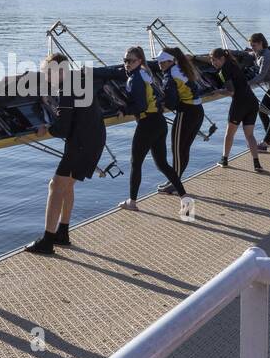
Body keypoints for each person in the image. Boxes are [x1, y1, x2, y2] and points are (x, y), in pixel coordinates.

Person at [25, 53, 106, 254]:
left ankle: (47, 241)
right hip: (93, 139)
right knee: (67, 185)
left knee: (56, 186)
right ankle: (63, 232)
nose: (45, 77)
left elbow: (62, 128)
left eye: (47, 72)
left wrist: (46, 129)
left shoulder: (67, 89)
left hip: (81, 144)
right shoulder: (80, 81)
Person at [119, 45, 186, 210]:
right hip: (159, 123)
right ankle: (185, 197)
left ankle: (132, 202)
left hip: (147, 124)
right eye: (125, 60)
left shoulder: (134, 79)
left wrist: (124, 110)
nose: (127, 63)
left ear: (139, 61)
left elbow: (140, 106)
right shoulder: (146, 73)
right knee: (162, 164)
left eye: (131, 61)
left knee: (136, 163)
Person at [155, 46, 205, 192]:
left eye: (162, 62)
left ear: (170, 61)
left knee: (177, 149)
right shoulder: (182, 67)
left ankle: (174, 184)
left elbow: (170, 101)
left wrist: (158, 104)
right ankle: (175, 180)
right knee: (184, 149)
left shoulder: (170, 75)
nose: (160, 65)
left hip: (186, 113)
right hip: (198, 111)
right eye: (159, 62)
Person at [209, 47, 263, 172]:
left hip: (240, 104)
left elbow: (231, 92)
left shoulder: (223, 71)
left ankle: (224, 160)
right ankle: (257, 164)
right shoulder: (233, 63)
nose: (213, 63)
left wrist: (217, 91)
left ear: (222, 58)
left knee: (229, 134)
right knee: (250, 135)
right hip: (252, 102)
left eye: (214, 60)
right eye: (211, 61)